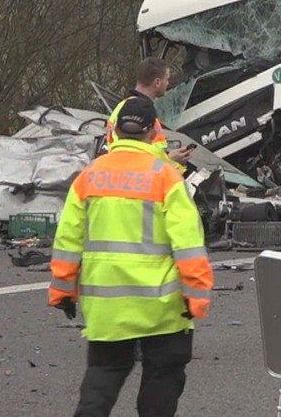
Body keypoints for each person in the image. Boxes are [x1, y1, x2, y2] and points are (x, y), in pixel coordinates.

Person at [50, 97, 214, 417]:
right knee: (162, 378)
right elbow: (189, 245)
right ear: (155, 131)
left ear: (113, 131)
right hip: (162, 306)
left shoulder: (89, 177)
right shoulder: (166, 177)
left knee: (103, 376)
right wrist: (196, 298)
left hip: (106, 306)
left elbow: (68, 241)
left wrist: (63, 291)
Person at [107, 57, 192, 171]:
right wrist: (170, 159)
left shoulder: (126, 108)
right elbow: (134, 159)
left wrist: (169, 158)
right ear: (157, 82)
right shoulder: (137, 112)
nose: (168, 83)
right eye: (166, 79)